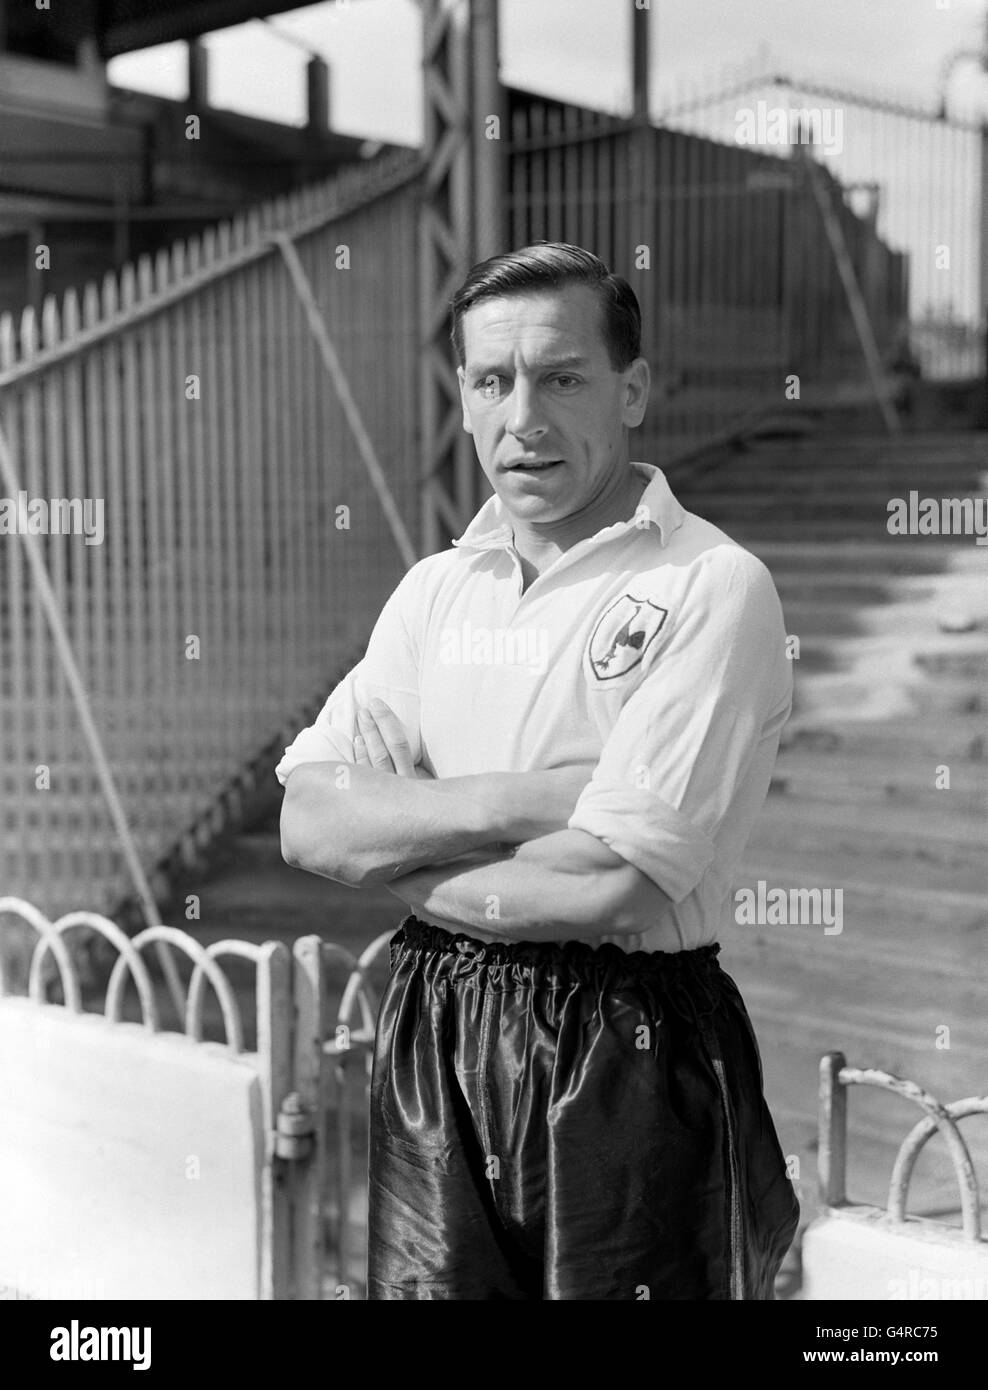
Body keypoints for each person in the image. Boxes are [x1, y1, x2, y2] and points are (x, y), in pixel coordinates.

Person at [276, 242, 799, 1300]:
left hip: (623, 1046)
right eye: (491, 381)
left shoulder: (711, 586)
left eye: (562, 377)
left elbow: (608, 885)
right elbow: (309, 820)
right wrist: (529, 799)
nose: (523, 417)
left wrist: (398, 854)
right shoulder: (434, 591)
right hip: (434, 1025)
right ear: (462, 400)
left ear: (633, 389)